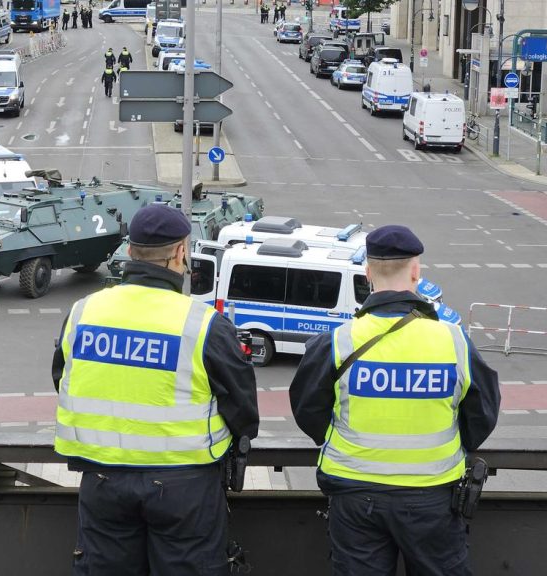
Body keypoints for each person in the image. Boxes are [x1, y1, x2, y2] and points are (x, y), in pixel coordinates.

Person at [52, 203, 259, 576]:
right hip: (186, 486)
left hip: (102, 479)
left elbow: (61, 378)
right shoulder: (202, 324)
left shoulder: (84, 311)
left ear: (130, 251)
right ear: (182, 252)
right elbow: (243, 407)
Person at [289, 224, 501, 576]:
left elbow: (307, 409)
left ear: (367, 273)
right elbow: (483, 413)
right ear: (416, 271)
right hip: (433, 497)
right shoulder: (454, 341)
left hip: (354, 496)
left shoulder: (338, 342)